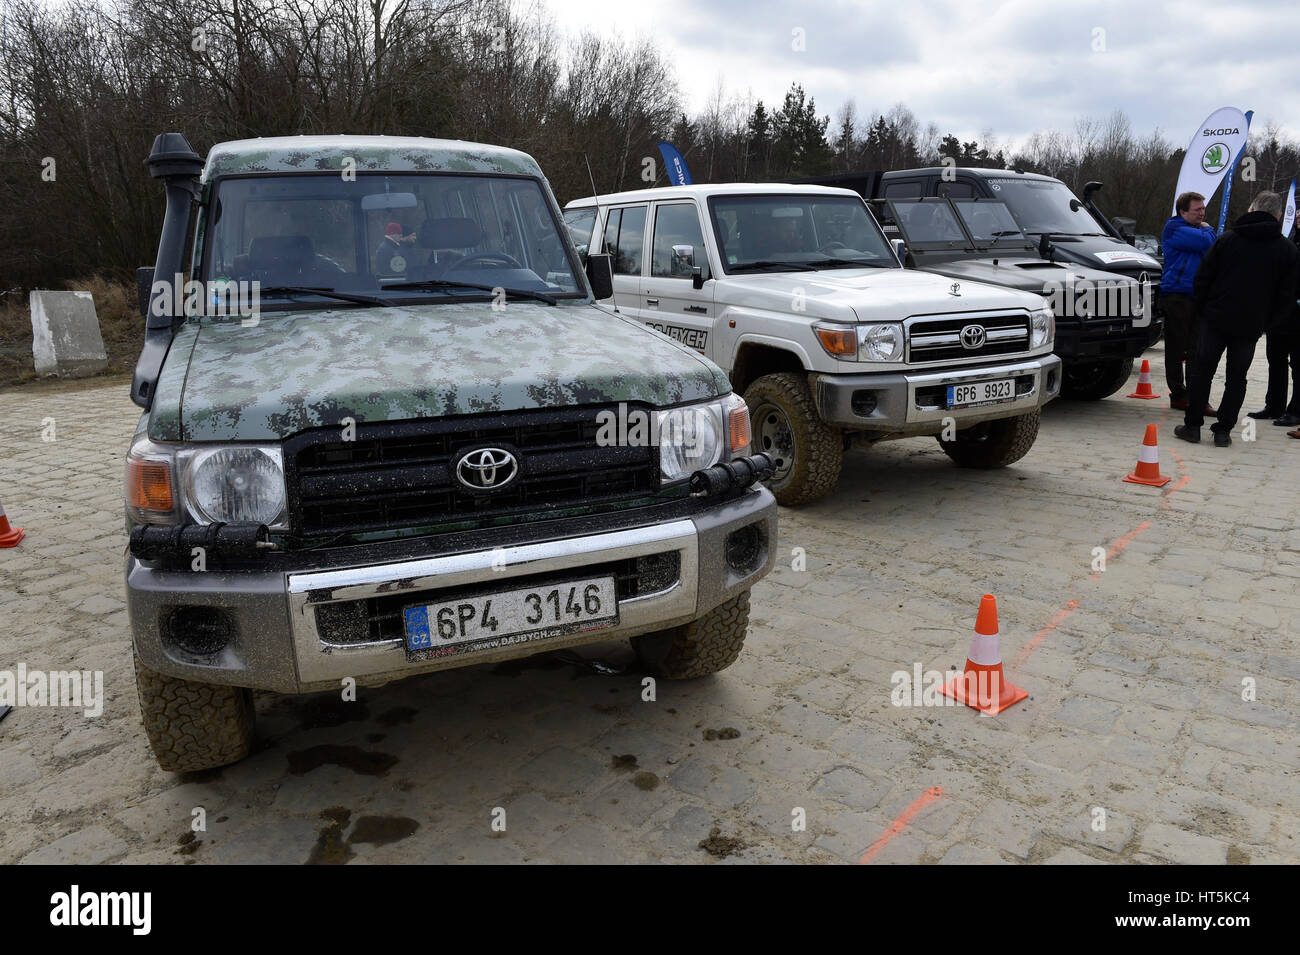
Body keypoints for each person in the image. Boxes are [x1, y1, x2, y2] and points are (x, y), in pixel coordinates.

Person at [1175, 192, 1300, 447]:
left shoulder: (1227, 240)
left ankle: (1193, 425)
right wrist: (1268, 322)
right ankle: (1223, 430)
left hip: (1216, 318)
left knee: (1203, 371)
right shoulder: (1286, 249)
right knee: (1237, 377)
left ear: (1252, 208)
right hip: (1251, 323)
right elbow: (1288, 294)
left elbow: (1203, 278)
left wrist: (1204, 309)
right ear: (1278, 216)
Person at [1161, 192, 1217, 412]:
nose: (1202, 213)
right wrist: (1208, 228)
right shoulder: (1174, 228)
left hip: (1197, 297)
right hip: (1176, 296)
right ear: (1183, 212)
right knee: (1176, 349)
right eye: (1197, 210)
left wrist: (1205, 229)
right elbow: (1208, 241)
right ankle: (1178, 394)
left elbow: (1210, 245)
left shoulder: (1197, 229)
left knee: (1197, 349)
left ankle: (1197, 397)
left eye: (1203, 209)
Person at [1250, 221, 1300, 427]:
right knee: (1275, 359)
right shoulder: (1291, 239)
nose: (1299, 216)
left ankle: (1296, 410)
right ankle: (1274, 405)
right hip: (1280, 312)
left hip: (1297, 313)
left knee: (1297, 364)